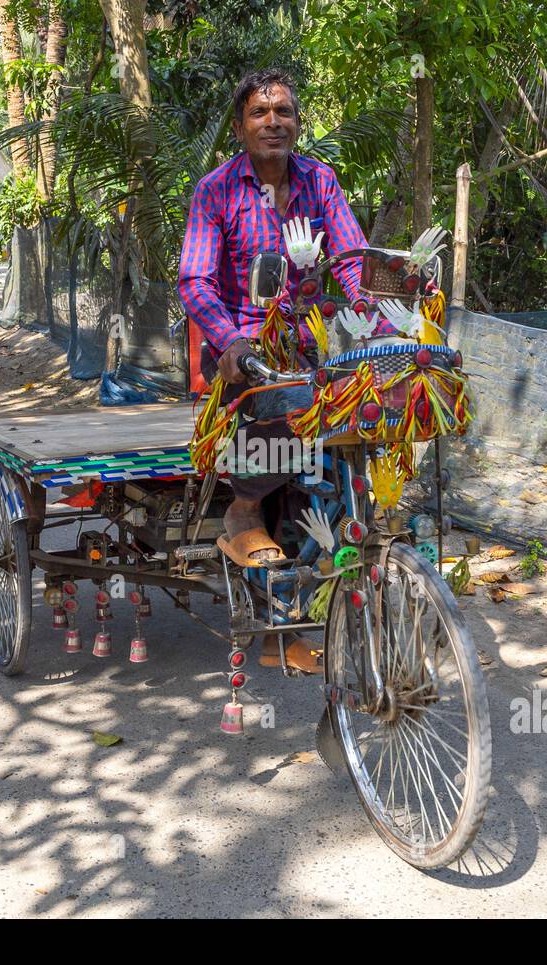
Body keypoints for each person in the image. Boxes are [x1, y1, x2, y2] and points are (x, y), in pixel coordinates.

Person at [178, 68, 378, 674]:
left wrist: (381, 311)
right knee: (283, 436)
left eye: (284, 112)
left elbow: (352, 262)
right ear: (241, 126)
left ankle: (325, 598)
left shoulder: (320, 181)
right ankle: (242, 507)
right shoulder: (216, 190)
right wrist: (234, 343)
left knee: (363, 427)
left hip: (310, 347)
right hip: (242, 351)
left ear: (297, 123)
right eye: (260, 113)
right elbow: (195, 281)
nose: (274, 122)